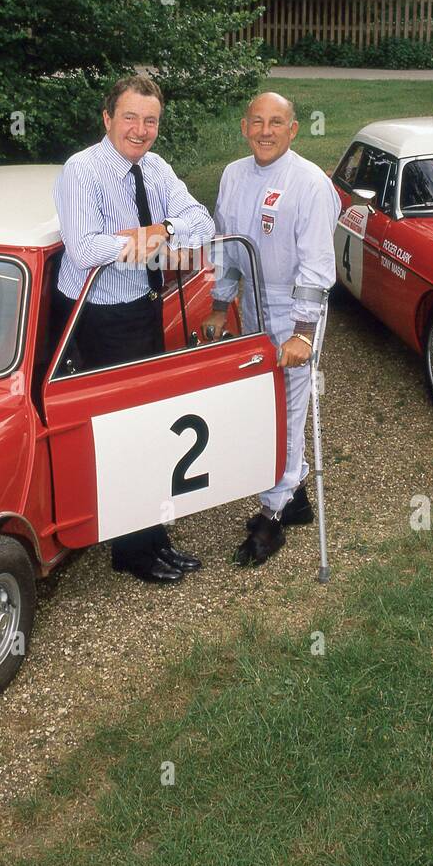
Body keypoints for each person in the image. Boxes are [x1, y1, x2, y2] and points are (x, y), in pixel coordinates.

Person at [53, 74, 216, 584]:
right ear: (107, 118)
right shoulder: (82, 171)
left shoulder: (155, 167)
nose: (140, 130)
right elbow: (84, 248)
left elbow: (201, 223)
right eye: (130, 117)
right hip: (96, 316)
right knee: (122, 432)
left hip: (144, 307)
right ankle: (131, 550)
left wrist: (156, 232)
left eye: (150, 121)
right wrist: (154, 243)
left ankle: (154, 537)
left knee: (152, 425)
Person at [206, 92, 339, 566]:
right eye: (258, 122)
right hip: (253, 304)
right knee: (263, 405)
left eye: (276, 122)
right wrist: (221, 305)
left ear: (293, 129)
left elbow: (317, 266)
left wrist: (303, 332)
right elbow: (225, 246)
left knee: (287, 408)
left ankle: (272, 514)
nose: (266, 131)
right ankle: (295, 492)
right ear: (244, 127)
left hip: (294, 307)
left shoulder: (308, 184)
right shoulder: (233, 175)